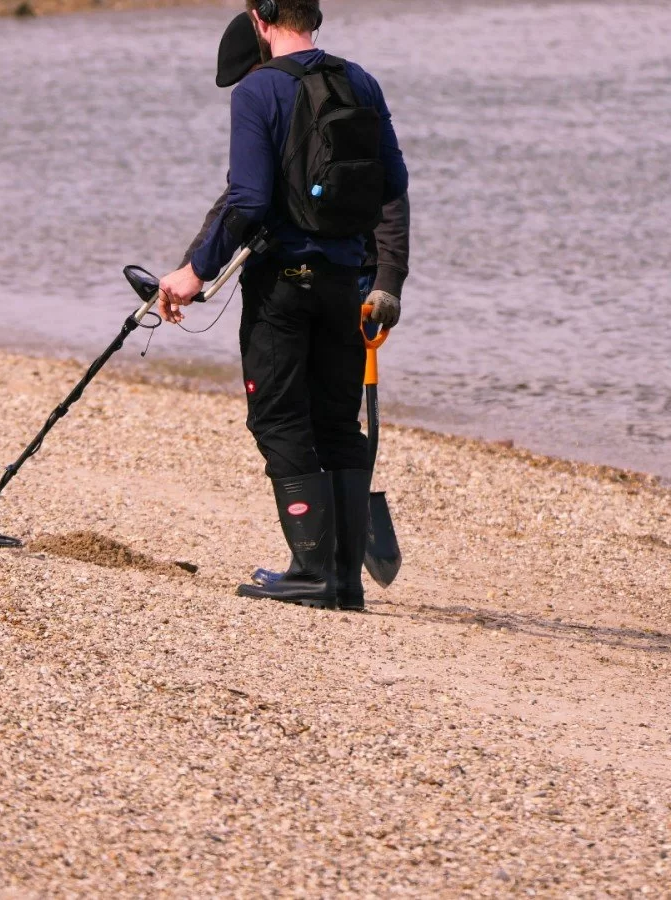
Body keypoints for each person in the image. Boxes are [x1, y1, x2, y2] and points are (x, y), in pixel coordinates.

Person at [159, 0, 409, 611]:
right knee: (337, 424)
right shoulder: (361, 80)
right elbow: (394, 184)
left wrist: (195, 271)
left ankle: (309, 571)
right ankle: (344, 583)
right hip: (346, 284)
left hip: (282, 286)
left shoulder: (258, 90)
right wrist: (386, 278)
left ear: (261, 18)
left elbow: (247, 198)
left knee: (278, 419)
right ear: (313, 15)